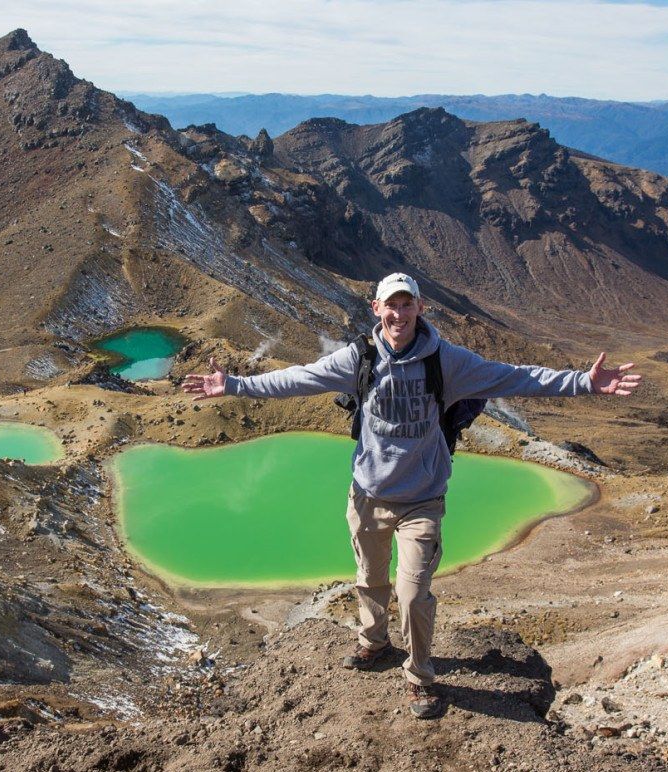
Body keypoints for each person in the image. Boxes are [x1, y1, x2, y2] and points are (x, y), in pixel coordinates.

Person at [182, 272, 642, 719]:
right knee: (369, 577)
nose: (399, 313)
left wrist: (585, 381)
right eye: (391, 305)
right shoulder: (358, 359)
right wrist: (234, 385)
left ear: (420, 308)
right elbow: (299, 378)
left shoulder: (448, 362)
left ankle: (420, 676)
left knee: (414, 592)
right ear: (376, 309)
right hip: (367, 494)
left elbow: (515, 377)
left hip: (421, 500)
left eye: (407, 304)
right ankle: (373, 641)